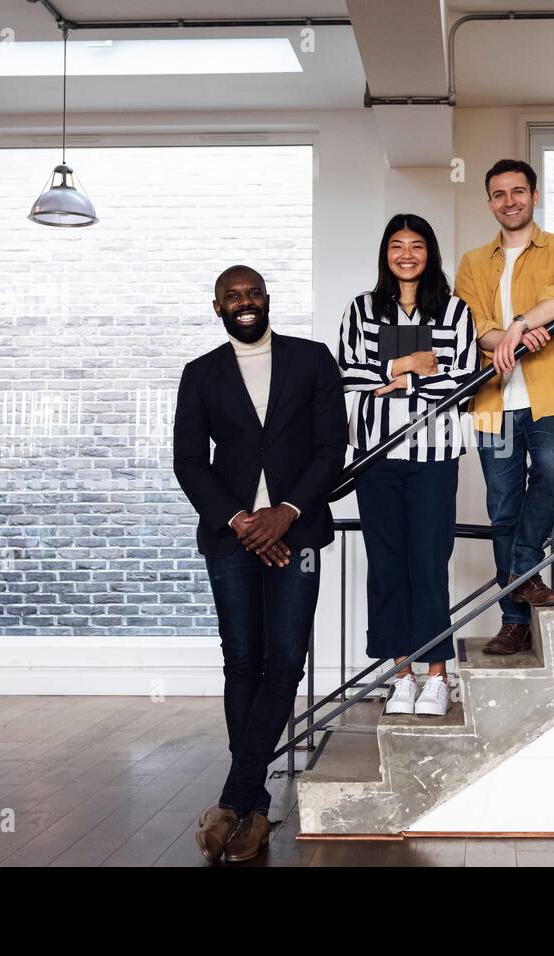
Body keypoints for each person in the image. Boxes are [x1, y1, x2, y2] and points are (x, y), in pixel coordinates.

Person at [174, 265, 346, 864]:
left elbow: (332, 447)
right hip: (232, 538)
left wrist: (287, 513)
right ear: (217, 307)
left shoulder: (313, 359)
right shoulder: (201, 375)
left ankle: (236, 800)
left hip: (295, 533)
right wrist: (245, 522)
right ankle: (253, 811)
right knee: (241, 660)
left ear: (267, 300)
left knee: (285, 662)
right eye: (232, 297)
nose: (244, 303)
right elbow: (189, 461)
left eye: (252, 294)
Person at [338, 214, 477, 716]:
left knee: (429, 561)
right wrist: (409, 365)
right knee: (387, 564)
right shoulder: (361, 309)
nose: (406, 254)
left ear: (429, 253)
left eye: (416, 245)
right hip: (375, 458)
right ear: (386, 254)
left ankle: (437, 674)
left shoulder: (455, 312)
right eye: (397, 245)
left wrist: (401, 381)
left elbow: (461, 379)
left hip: (433, 457)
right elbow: (350, 376)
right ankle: (401, 675)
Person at [455, 159, 554, 656]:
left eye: (518, 191)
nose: (509, 200)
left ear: (534, 196)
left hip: (546, 392)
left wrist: (517, 325)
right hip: (494, 401)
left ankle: (521, 571)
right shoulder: (472, 262)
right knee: (502, 507)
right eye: (498, 194)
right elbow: (474, 321)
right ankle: (515, 620)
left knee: (552, 470)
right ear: (489, 202)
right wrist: (514, 333)